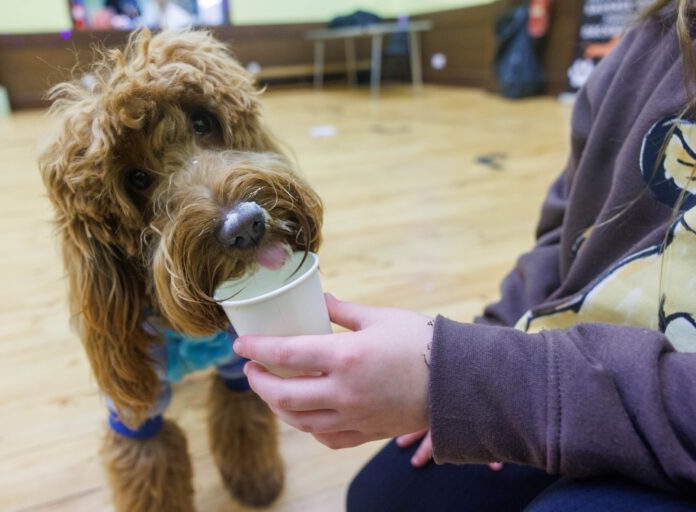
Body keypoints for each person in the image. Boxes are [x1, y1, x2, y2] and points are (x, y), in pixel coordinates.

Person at [232, 1, 696, 510]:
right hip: (575, 364)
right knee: (381, 498)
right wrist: (484, 351)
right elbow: (561, 238)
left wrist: (483, 382)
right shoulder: (644, 44)